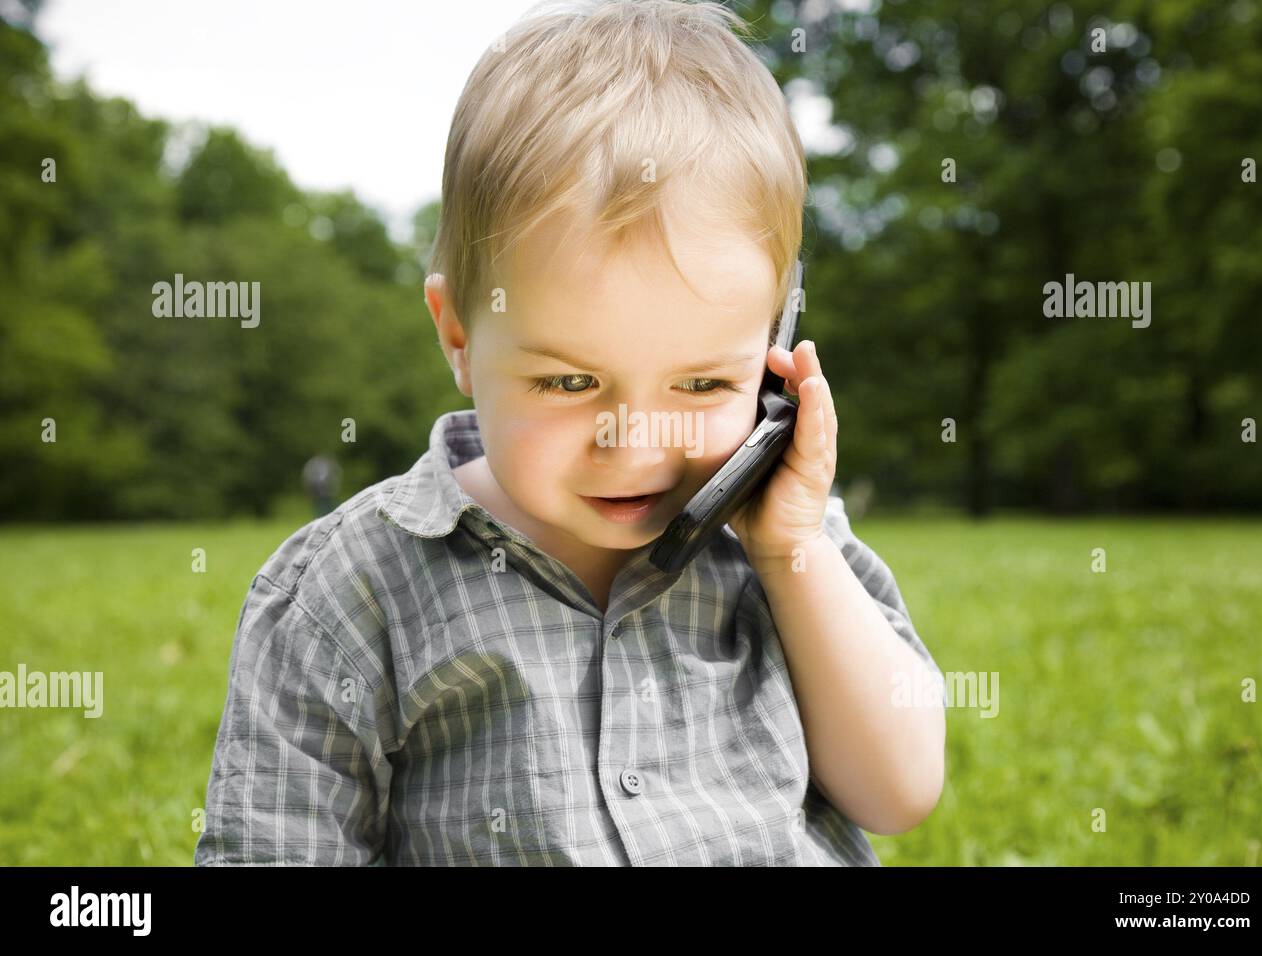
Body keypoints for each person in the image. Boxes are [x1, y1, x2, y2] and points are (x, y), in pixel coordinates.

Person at [196, 0, 945, 867]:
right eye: (570, 382)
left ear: (773, 353)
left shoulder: (790, 543)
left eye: (703, 382)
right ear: (460, 338)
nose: (634, 441)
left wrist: (789, 553)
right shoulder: (351, 591)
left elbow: (898, 791)